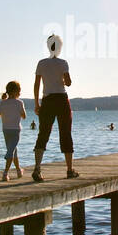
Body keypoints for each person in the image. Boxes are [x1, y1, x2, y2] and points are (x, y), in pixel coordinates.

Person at [32, 34, 77, 181]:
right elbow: (68, 82)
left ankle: (37, 169)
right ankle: (69, 169)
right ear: (59, 47)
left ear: (48, 45)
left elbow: (37, 84)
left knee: (43, 133)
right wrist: (64, 80)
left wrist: (37, 103)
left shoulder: (41, 63)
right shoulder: (63, 63)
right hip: (61, 100)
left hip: (48, 100)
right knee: (65, 133)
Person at [0, 81, 27, 180]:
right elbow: (24, 116)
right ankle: (5, 173)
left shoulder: (2, 103)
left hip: (6, 130)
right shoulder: (19, 102)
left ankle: (18, 171)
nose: (20, 93)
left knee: (13, 150)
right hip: (16, 130)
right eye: (19, 91)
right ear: (15, 91)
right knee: (11, 151)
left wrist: (4, 110)